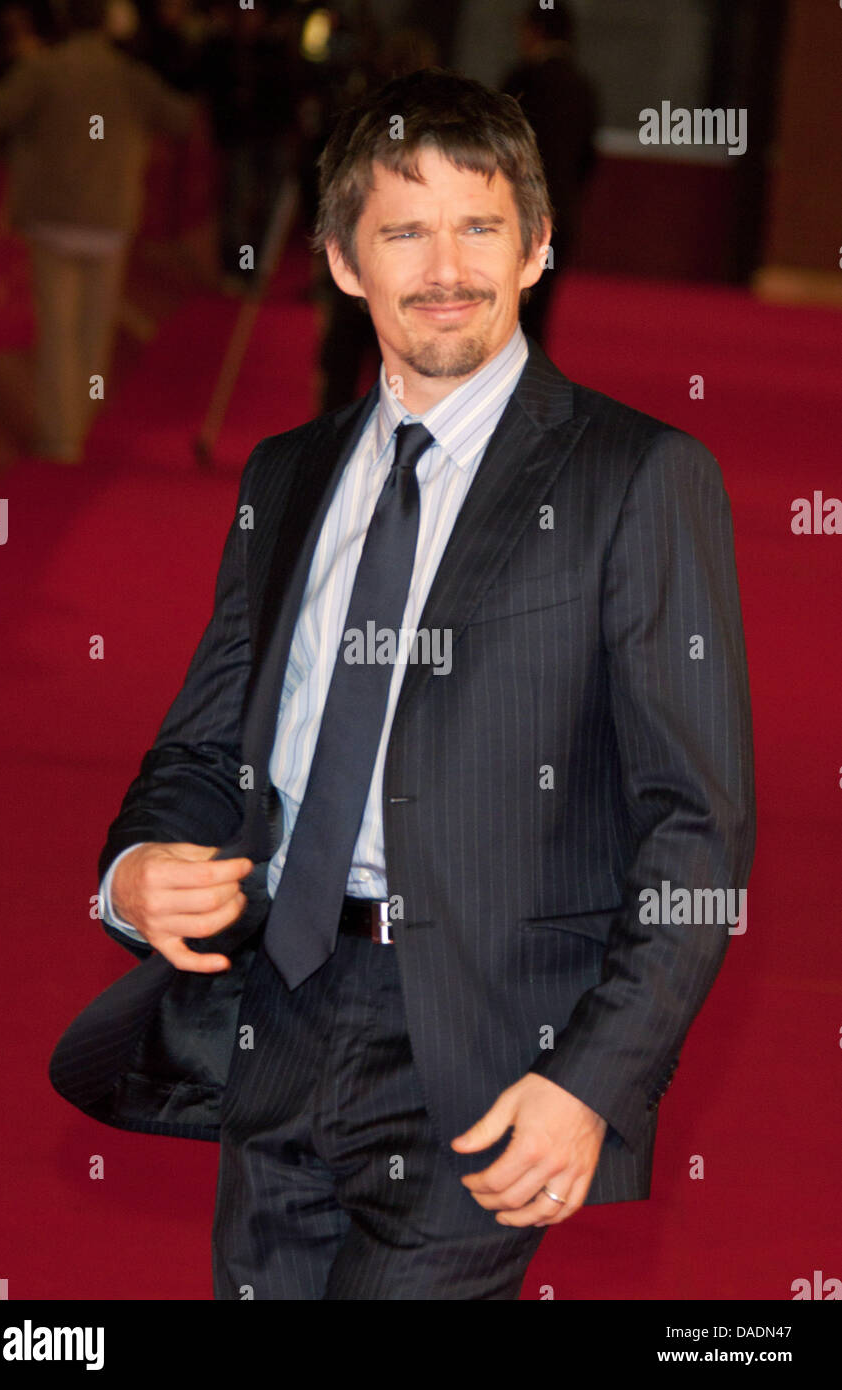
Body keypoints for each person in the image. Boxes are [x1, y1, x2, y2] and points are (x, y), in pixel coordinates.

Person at [51, 68, 756, 1301]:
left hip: (486, 1053)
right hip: (276, 1007)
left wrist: (592, 1076)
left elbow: (698, 830)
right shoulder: (286, 475)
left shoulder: (637, 478)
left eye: (480, 224)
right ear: (339, 261)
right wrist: (136, 866)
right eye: (404, 230)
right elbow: (206, 749)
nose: (446, 267)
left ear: (538, 246)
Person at [0, 0, 194, 462]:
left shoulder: (45, 70)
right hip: (110, 221)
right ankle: (83, 420)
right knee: (94, 332)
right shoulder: (128, 76)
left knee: (57, 332)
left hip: (51, 218)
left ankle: (60, 439)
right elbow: (180, 119)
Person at [501, 0, 599, 347]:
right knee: (537, 317)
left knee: (501, 315)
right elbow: (587, 159)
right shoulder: (583, 86)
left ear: (533, 31)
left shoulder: (522, 80)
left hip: (513, 215)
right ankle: (534, 395)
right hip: (559, 216)